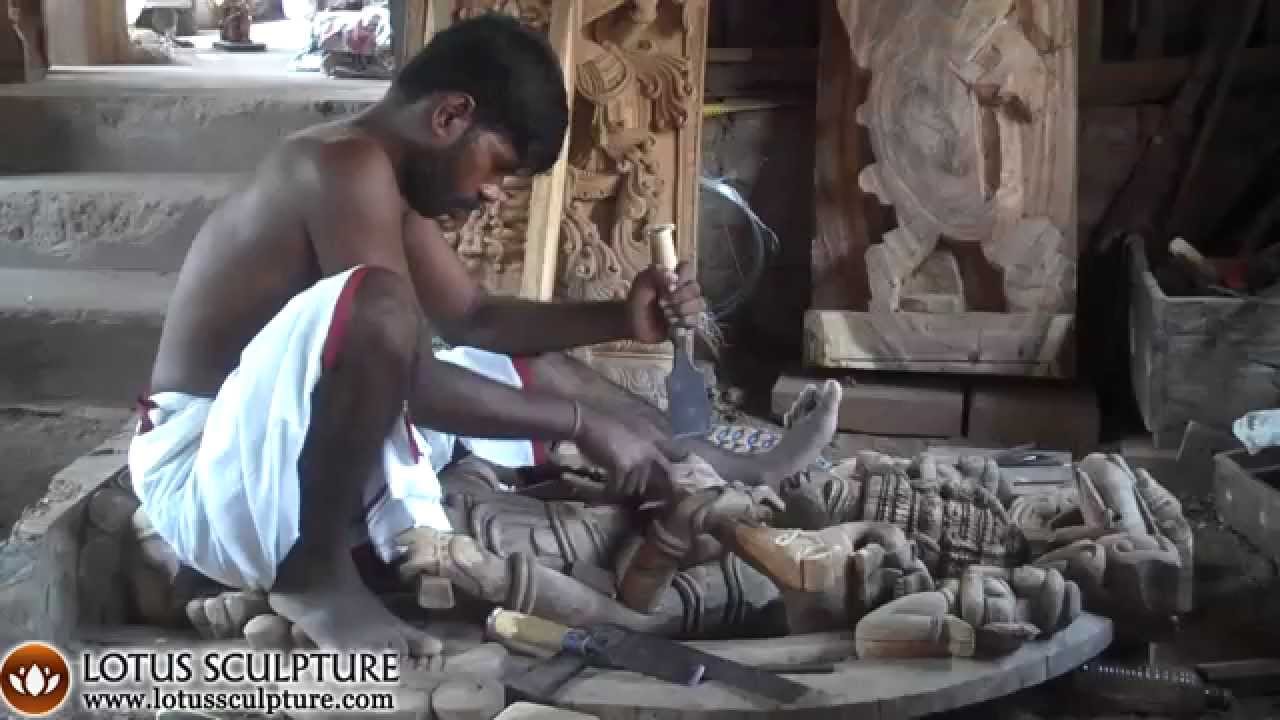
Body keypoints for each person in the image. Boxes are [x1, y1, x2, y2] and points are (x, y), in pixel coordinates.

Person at [128, 13, 835, 659]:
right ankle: (314, 575)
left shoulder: (384, 177)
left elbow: (477, 319)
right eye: (500, 169)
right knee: (379, 307)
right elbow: (412, 378)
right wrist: (582, 425)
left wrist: (622, 315)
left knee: (513, 355)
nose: (495, 194)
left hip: (275, 458)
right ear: (451, 115)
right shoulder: (338, 165)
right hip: (209, 475)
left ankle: (704, 459)